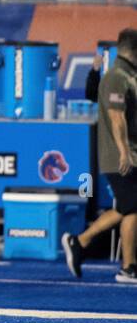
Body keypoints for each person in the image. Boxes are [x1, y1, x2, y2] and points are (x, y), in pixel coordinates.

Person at [62, 28, 137, 284]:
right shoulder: (117, 77)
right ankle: (128, 268)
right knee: (133, 207)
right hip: (120, 156)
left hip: (128, 153)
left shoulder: (126, 75)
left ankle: (80, 242)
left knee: (125, 206)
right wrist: (125, 151)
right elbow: (116, 118)